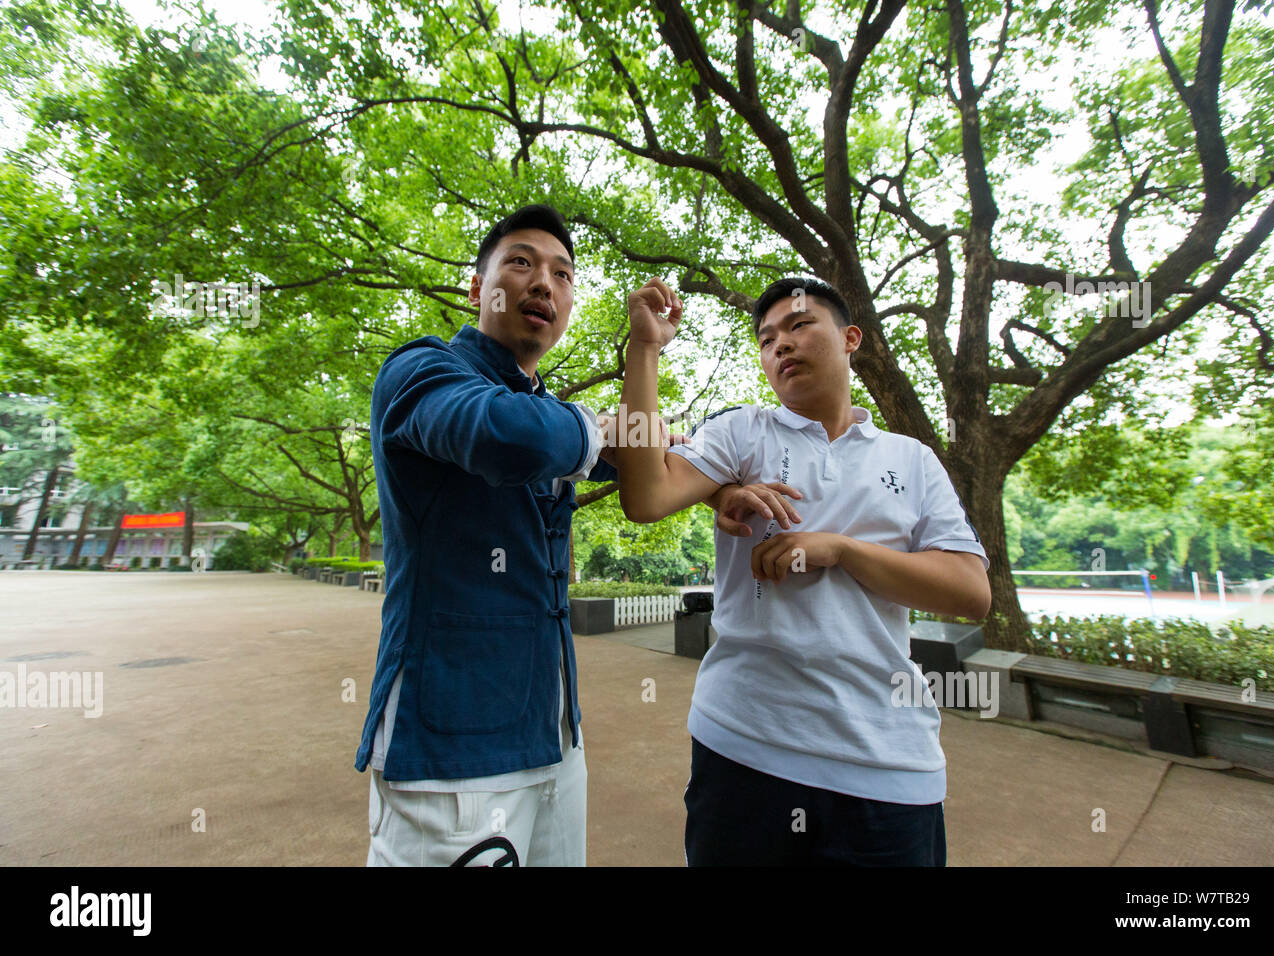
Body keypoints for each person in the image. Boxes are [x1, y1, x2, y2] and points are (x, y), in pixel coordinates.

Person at [615, 275, 991, 866]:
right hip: (743, 748)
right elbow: (644, 496)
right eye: (767, 340)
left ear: (850, 338)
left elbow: (971, 593)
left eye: (798, 326)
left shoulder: (913, 461)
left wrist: (840, 549)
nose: (781, 346)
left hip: (890, 768)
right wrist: (644, 350)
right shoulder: (743, 431)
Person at [356, 204, 616, 867]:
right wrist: (604, 432)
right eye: (521, 263)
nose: (544, 284)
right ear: (477, 288)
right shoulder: (423, 372)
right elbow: (502, 435)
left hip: (555, 740)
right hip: (453, 754)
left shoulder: (552, 412)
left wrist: (728, 472)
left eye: (563, 274)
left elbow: (658, 454)